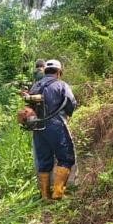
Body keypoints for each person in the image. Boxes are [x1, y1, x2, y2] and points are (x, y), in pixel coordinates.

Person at [27, 59, 77, 201]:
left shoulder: (36, 86)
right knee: (66, 158)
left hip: (38, 127)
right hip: (57, 126)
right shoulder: (61, 85)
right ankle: (58, 193)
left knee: (44, 160)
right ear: (59, 72)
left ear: (45, 71)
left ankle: (45, 195)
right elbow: (71, 104)